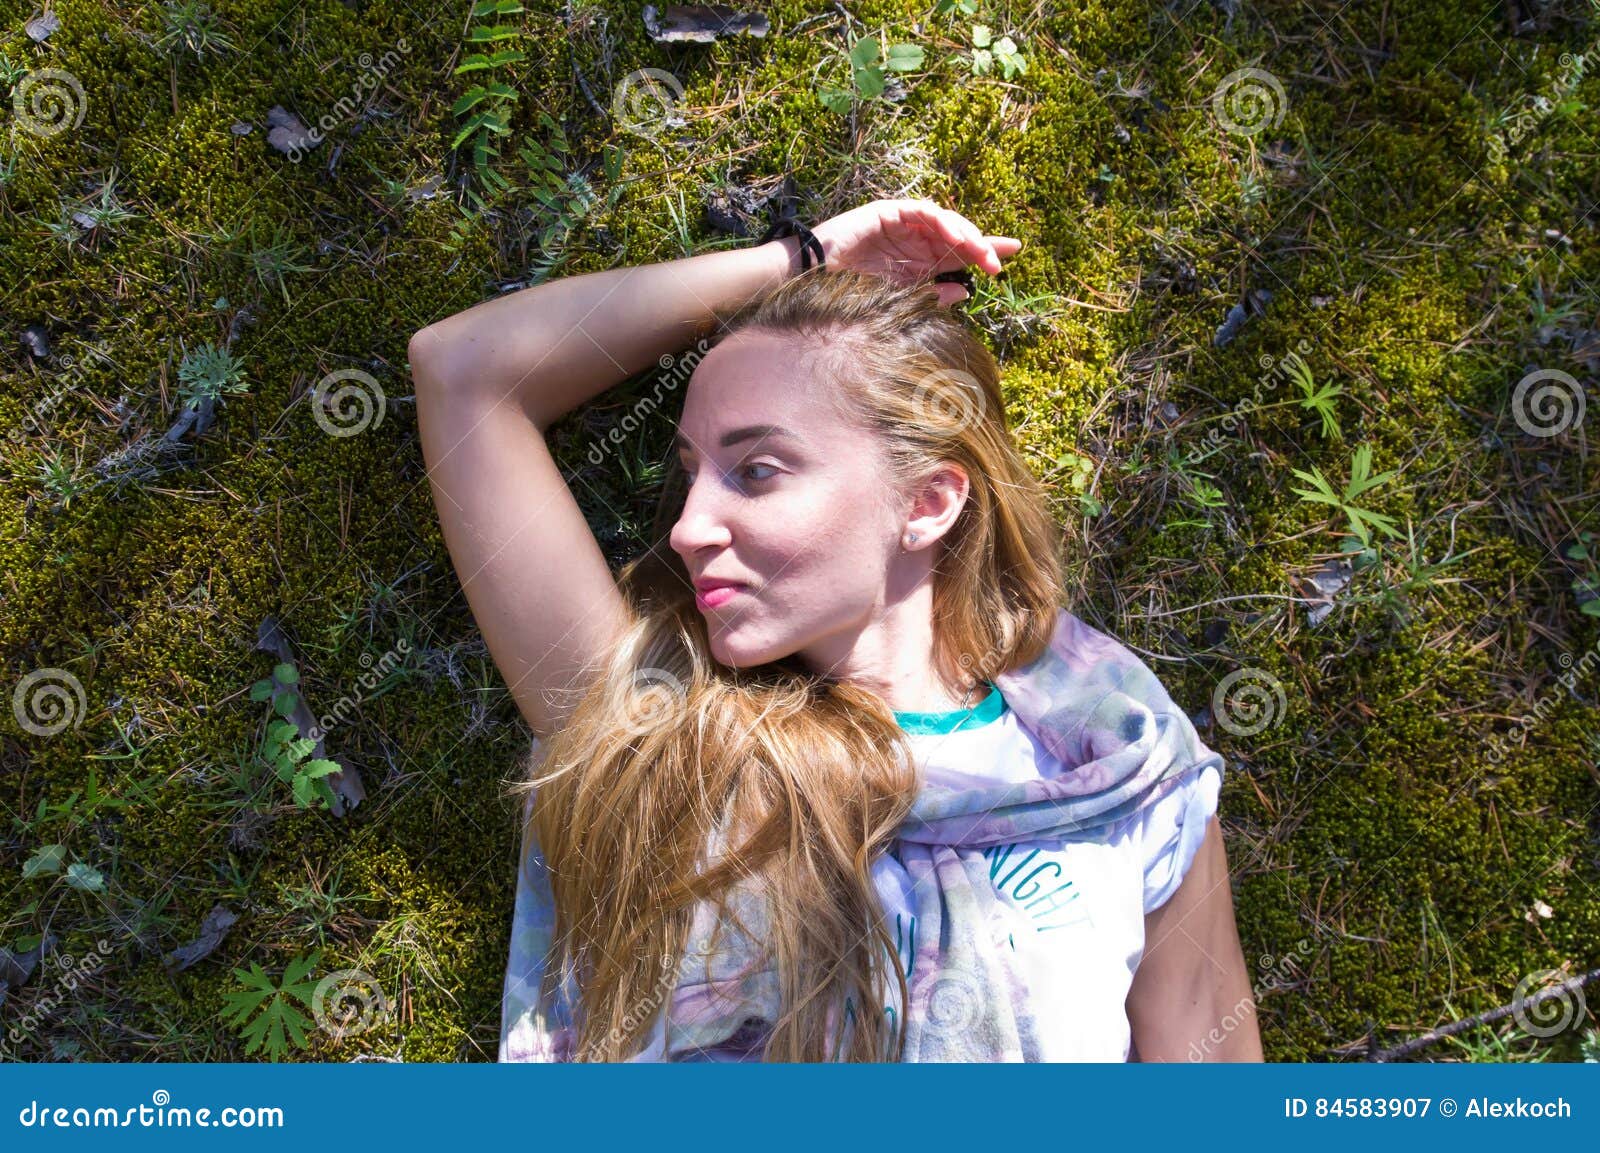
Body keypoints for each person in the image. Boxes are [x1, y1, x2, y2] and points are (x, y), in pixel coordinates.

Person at [408, 198, 1262, 1062]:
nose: (687, 525)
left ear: (927, 502)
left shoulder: (1119, 756)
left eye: (757, 470)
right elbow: (466, 373)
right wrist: (799, 259)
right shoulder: (655, 728)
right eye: (694, 473)